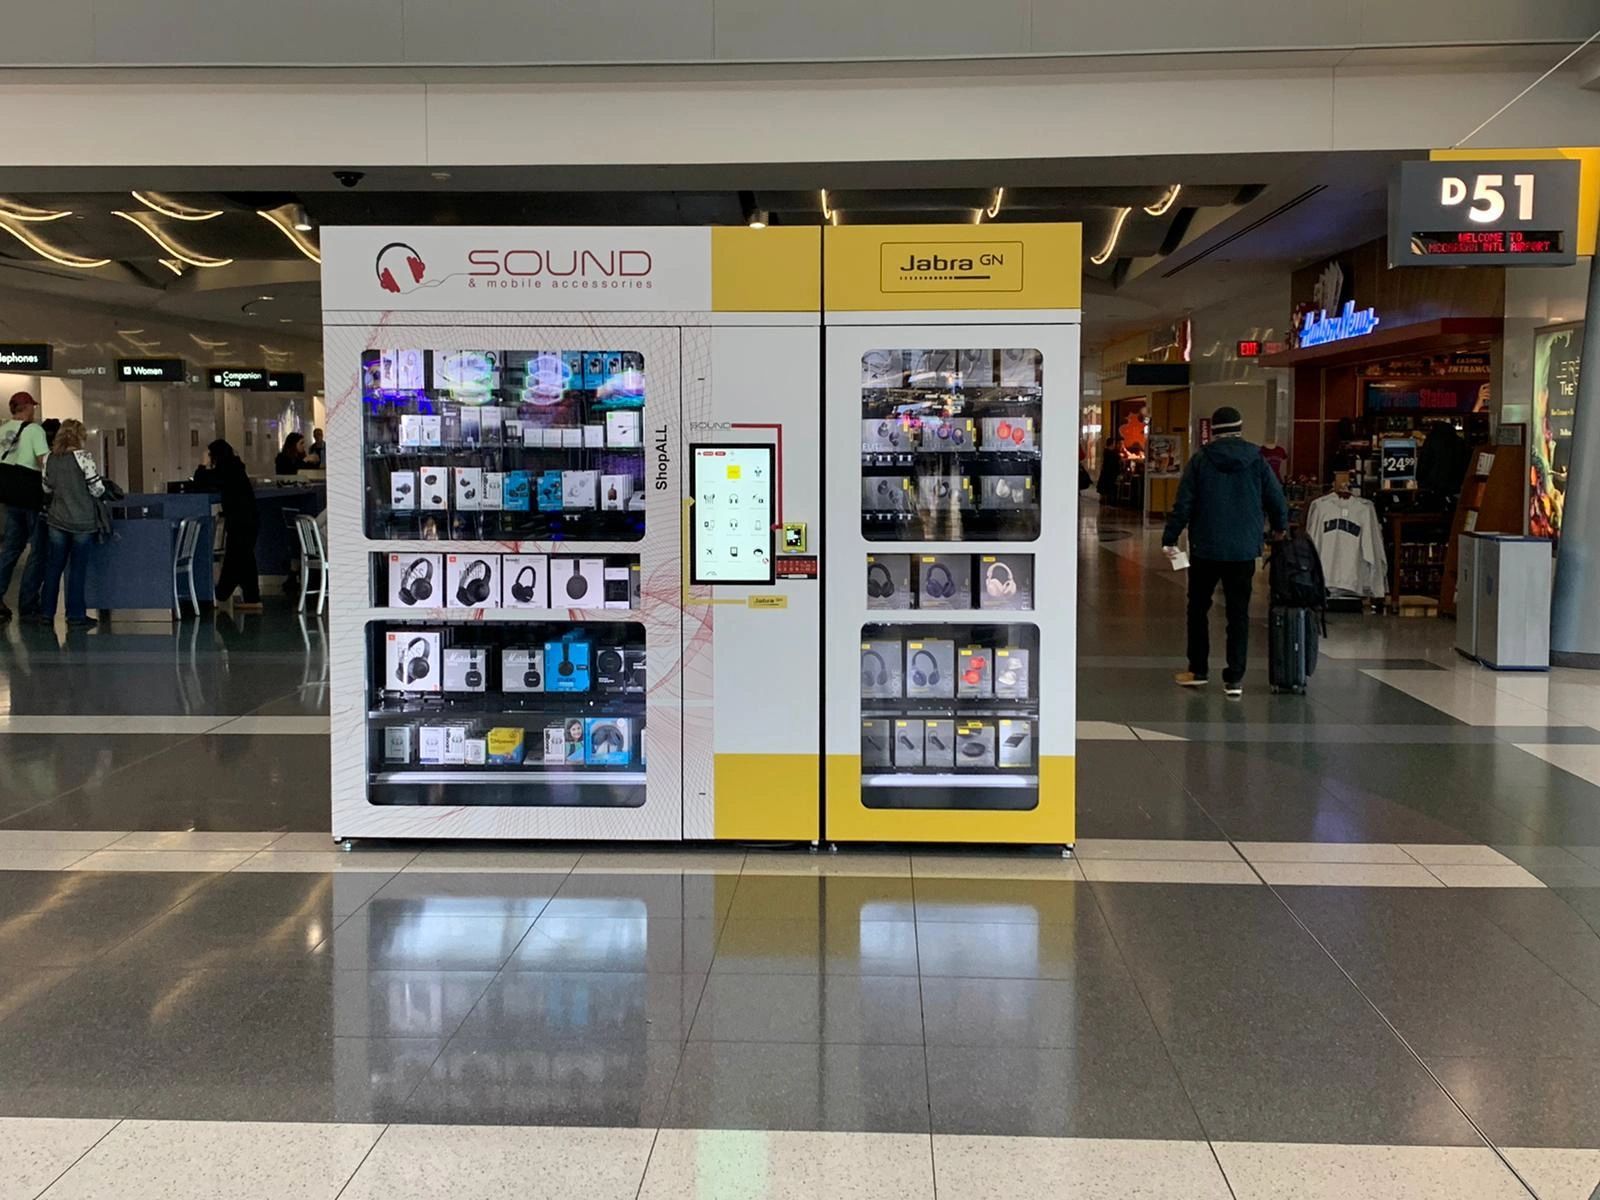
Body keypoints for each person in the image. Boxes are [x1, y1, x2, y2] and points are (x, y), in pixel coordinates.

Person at [1161, 406, 1288, 697]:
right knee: (1238, 614)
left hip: (1207, 547)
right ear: (1240, 428)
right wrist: (1279, 528)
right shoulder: (1257, 460)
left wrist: (1170, 537)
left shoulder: (1201, 461)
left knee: (1198, 609)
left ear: (1214, 431)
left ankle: (1199, 670)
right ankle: (1235, 679)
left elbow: (1184, 504)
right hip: (1243, 551)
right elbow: (1276, 498)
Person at [37, 419, 107, 628]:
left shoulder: (50, 458)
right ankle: (76, 615)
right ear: (80, 436)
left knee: (53, 568)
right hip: (82, 521)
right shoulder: (84, 457)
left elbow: (47, 488)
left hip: (57, 520)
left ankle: (46, 614)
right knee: (77, 569)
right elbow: (97, 489)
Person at [0, 391, 52, 621]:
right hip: (31, 498)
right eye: (33, 407)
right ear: (27, 408)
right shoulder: (34, 430)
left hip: (9, 498)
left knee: (11, 549)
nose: (34, 410)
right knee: (38, 551)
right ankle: (28, 604)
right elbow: (44, 462)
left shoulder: (1, 430)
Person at [195, 439, 260, 610]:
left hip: (240, 522)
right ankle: (252, 597)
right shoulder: (235, 467)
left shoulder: (225, 469)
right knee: (246, 559)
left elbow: (200, 482)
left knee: (235, 558)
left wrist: (202, 465)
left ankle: (221, 593)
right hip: (250, 519)